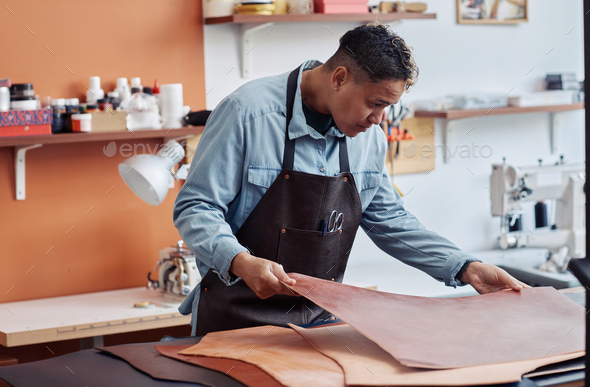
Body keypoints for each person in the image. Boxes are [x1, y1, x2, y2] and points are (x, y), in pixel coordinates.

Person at [173, 22, 526, 336]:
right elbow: (195, 207)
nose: (378, 119)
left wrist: (466, 268)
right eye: (374, 103)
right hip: (234, 325)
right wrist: (240, 260)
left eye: (387, 107)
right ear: (339, 78)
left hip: (317, 326)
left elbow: (389, 220)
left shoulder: (368, 138)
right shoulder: (247, 113)